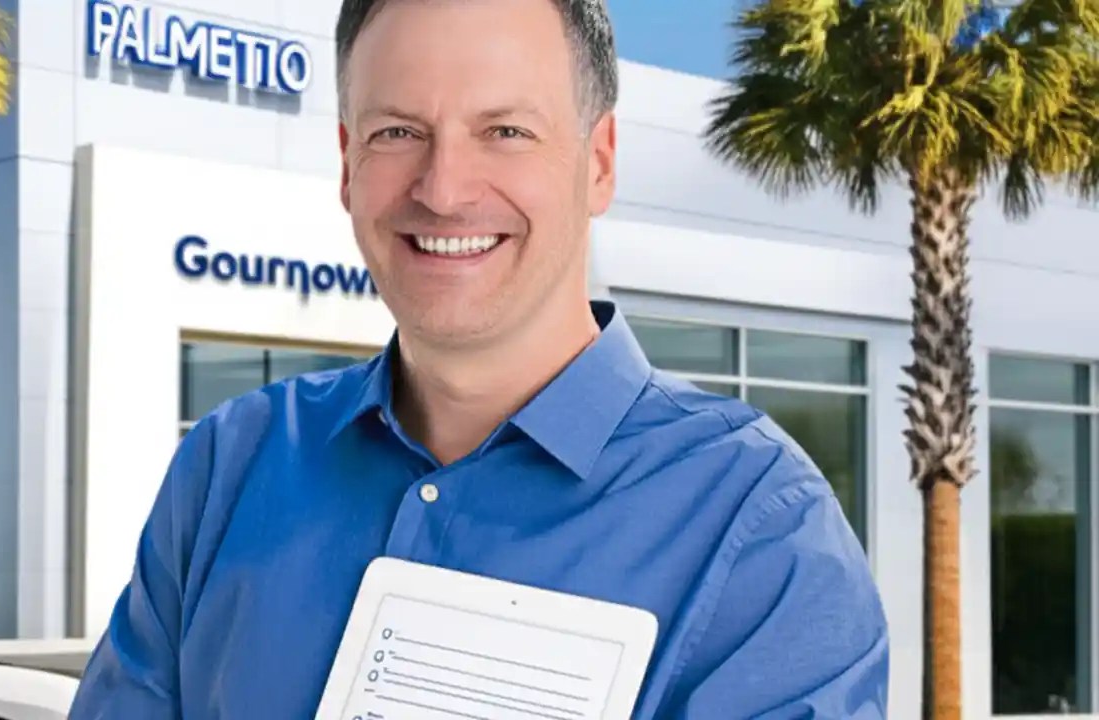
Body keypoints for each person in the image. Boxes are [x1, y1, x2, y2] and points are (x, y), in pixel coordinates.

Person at [68, 0, 890, 716]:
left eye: (504, 131)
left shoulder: (758, 528)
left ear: (598, 162)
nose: (445, 187)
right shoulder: (229, 467)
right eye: (399, 133)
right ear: (348, 163)